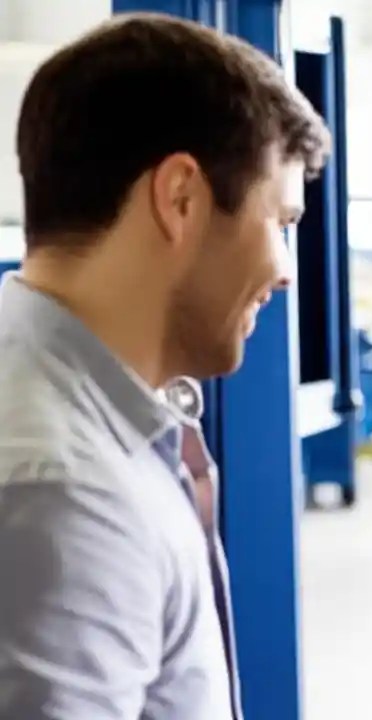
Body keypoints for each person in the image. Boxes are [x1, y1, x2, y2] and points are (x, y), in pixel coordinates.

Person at [0, 13, 330, 720]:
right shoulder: (64, 491)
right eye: (281, 223)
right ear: (180, 198)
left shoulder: (77, 417)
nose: (285, 274)